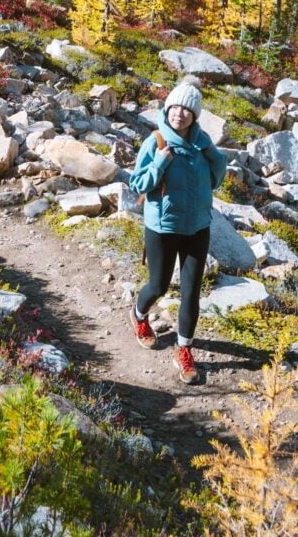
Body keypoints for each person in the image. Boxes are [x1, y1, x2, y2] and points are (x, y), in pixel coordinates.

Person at [128, 80, 227, 384]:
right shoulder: (156, 141)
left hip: (197, 227)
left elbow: (216, 179)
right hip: (163, 227)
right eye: (175, 107)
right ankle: (139, 314)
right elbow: (137, 184)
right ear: (167, 108)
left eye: (187, 109)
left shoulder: (201, 144)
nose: (179, 114)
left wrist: (214, 154)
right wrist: (159, 163)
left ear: (194, 115)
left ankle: (183, 349)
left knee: (191, 292)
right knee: (158, 286)